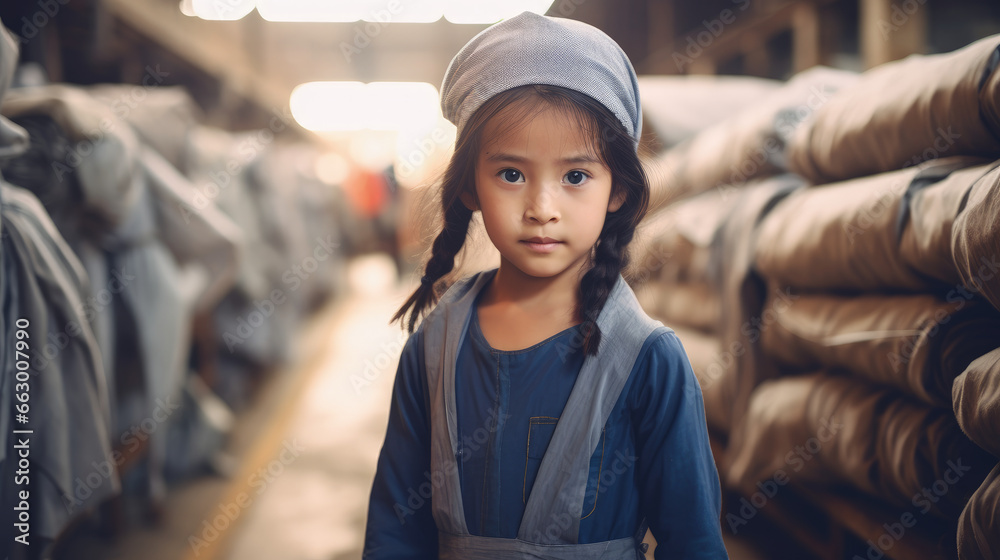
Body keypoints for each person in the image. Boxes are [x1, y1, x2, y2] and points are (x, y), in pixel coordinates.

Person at [363, 11, 728, 560]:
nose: (541, 209)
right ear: (470, 188)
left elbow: (693, 542)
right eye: (511, 174)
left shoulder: (648, 360)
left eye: (575, 176)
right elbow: (394, 529)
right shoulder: (434, 347)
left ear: (617, 191)